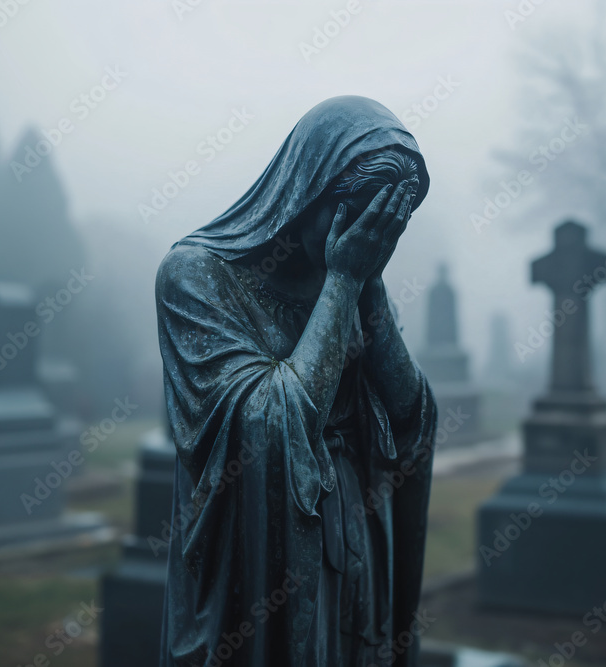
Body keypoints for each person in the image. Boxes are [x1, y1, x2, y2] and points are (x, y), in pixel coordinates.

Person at [155, 96, 437, 666]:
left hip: (358, 534)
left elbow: (412, 424)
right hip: (259, 557)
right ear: (307, 189)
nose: (370, 235)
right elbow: (266, 426)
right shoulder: (197, 275)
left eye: (388, 224)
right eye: (358, 213)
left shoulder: (356, 271)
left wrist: (368, 285)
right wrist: (344, 279)